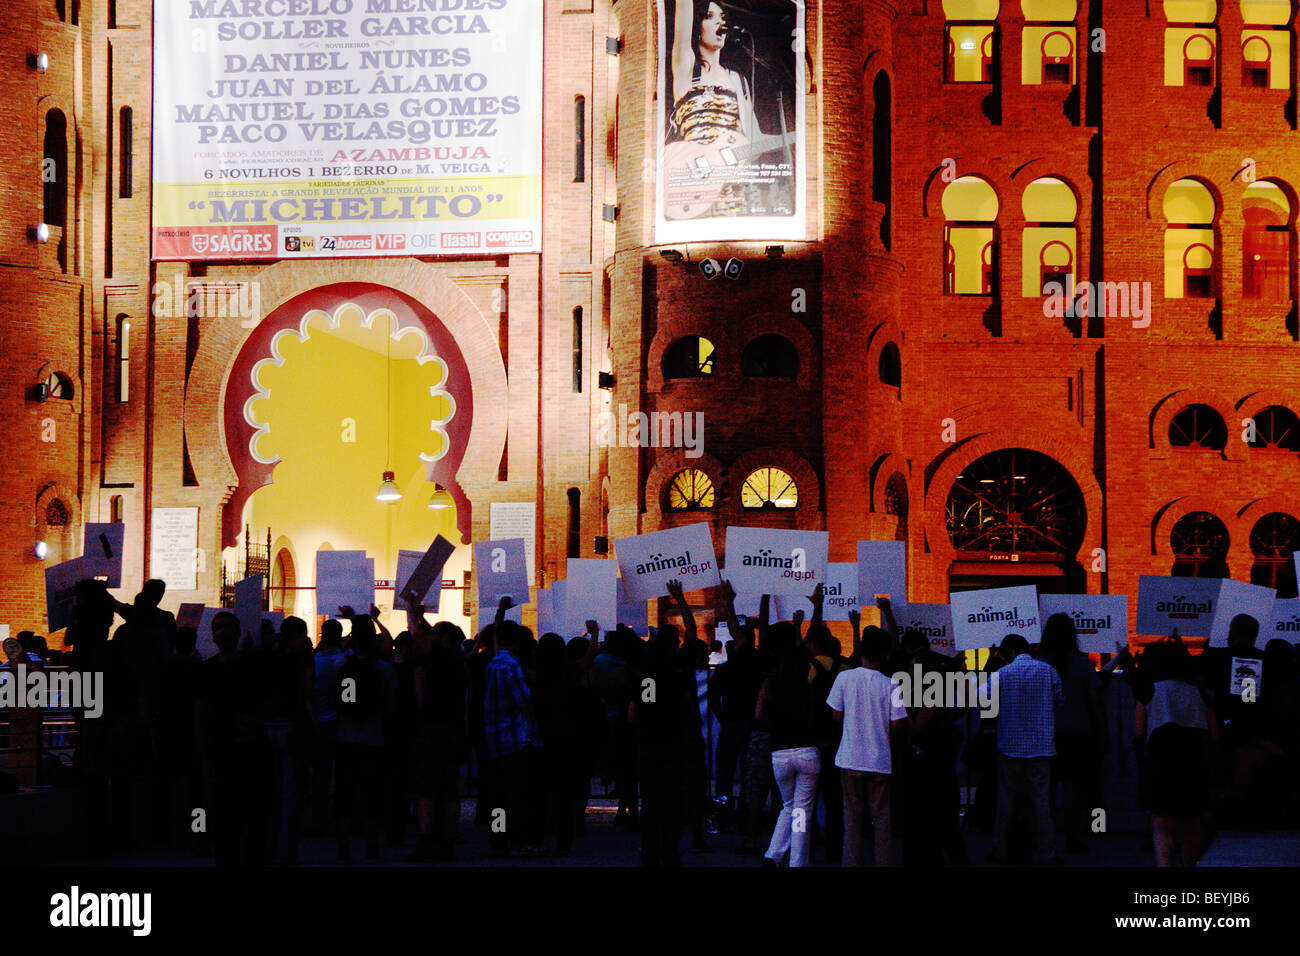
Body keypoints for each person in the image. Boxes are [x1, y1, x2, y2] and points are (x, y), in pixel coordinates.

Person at [827, 626, 908, 867]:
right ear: (884, 655)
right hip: (879, 760)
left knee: (852, 817)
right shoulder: (891, 684)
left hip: (849, 757)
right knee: (881, 818)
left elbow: (835, 716)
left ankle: (850, 862)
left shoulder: (844, 678)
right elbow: (897, 724)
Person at [1136, 639, 1216, 866]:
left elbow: (1139, 731)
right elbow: (1214, 734)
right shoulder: (1201, 694)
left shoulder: (1150, 691)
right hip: (1194, 762)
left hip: (1160, 761)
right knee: (1192, 823)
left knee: (1161, 825)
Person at [989, 633, 1064, 865]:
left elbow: (989, 705)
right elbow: (1060, 701)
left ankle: (1000, 850)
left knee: (1006, 800)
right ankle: (1046, 852)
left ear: (1009, 652)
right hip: (1041, 745)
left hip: (1010, 745)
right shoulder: (1048, 671)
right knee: (1041, 801)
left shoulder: (1001, 674)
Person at [483, 598, 544, 856]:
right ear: (517, 642)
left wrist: (500, 612)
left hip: (495, 738)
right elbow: (523, 701)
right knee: (519, 795)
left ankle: (499, 840)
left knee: (499, 797)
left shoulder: (494, 662)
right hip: (517, 738)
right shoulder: (513, 666)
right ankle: (520, 841)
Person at [758, 630, 820, 867]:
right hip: (807, 749)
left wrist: (775, 725)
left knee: (788, 805)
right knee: (801, 810)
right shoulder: (807, 679)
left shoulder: (769, 681)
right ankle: (796, 861)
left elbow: (759, 713)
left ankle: (773, 855)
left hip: (779, 750)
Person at [1042, 613, 1103, 853]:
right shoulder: (1083, 666)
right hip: (1078, 733)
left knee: (1045, 789)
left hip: (1047, 734)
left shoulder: (1040, 664)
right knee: (1073, 790)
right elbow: (1095, 703)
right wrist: (1100, 731)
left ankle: (1045, 836)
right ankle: (1072, 836)